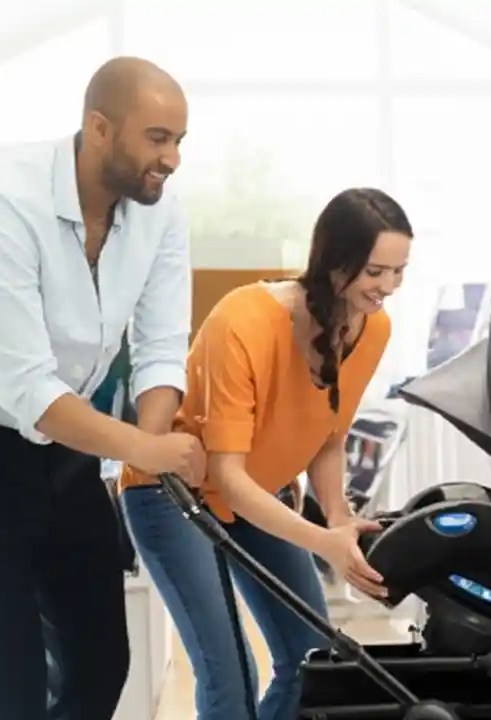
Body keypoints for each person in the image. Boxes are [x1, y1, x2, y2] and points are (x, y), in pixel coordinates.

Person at [0, 57, 204, 720]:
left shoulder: (159, 215)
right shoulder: (0, 202)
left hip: (69, 448)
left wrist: (151, 442)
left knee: (100, 665)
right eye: (157, 138)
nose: (171, 157)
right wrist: (151, 453)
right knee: (1, 692)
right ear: (98, 127)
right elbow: (27, 389)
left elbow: (160, 348)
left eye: (178, 140)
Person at [116, 187, 411, 720]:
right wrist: (322, 541)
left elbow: (329, 437)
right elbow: (227, 477)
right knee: (229, 673)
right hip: (172, 494)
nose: (387, 287)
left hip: (260, 492)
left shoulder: (374, 327)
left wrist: (339, 520)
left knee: (314, 659)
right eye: (374, 272)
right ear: (334, 261)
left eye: (398, 272)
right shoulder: (245, 319)